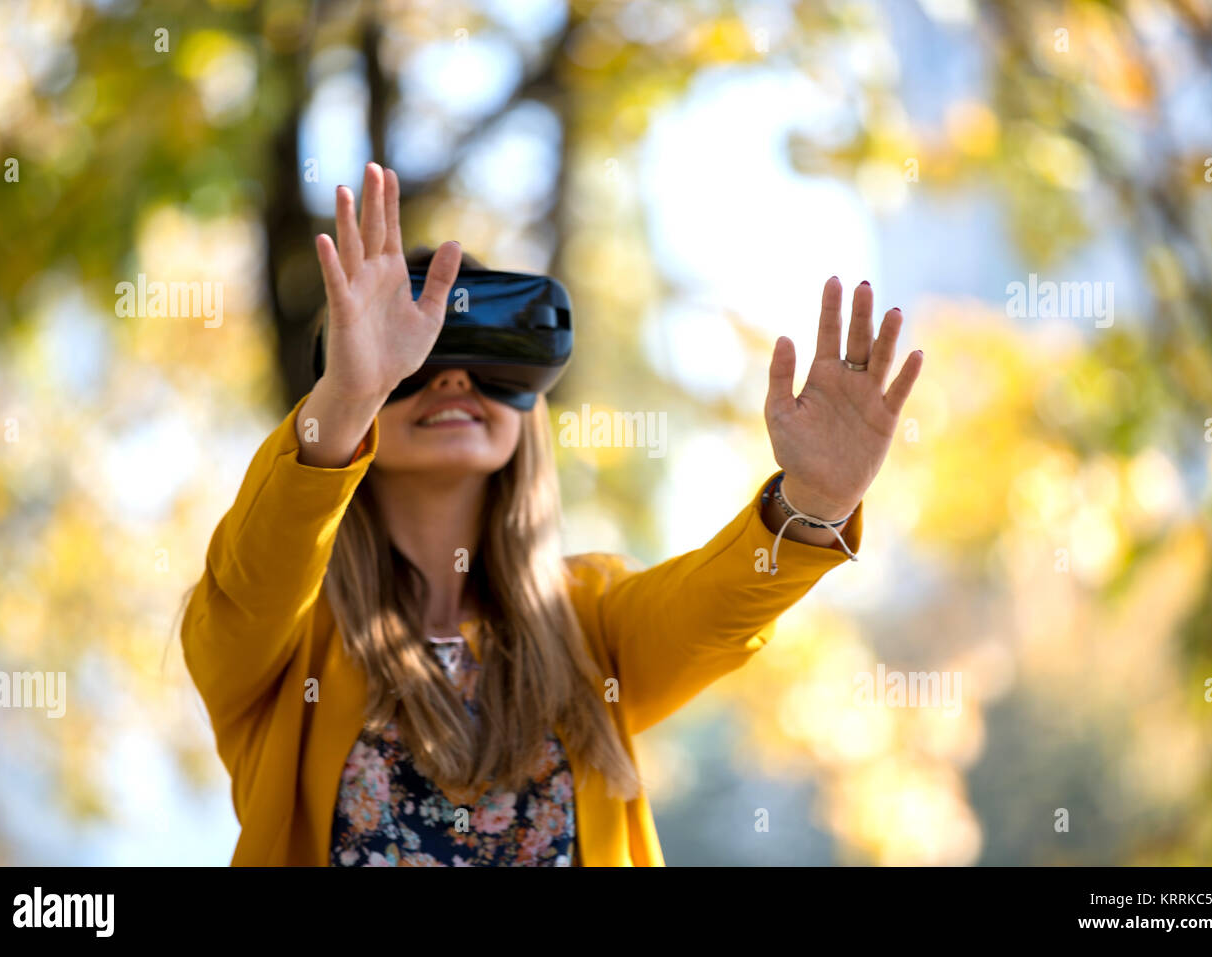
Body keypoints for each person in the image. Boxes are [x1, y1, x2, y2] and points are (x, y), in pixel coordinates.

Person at [180, 161, 923, 866]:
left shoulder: (591, 622)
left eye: (492, 358)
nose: (456, 378)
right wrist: (346, 400)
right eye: (416, 363)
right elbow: (260, 568)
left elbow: (720, 608)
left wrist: (815, 504)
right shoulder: (281, 648)